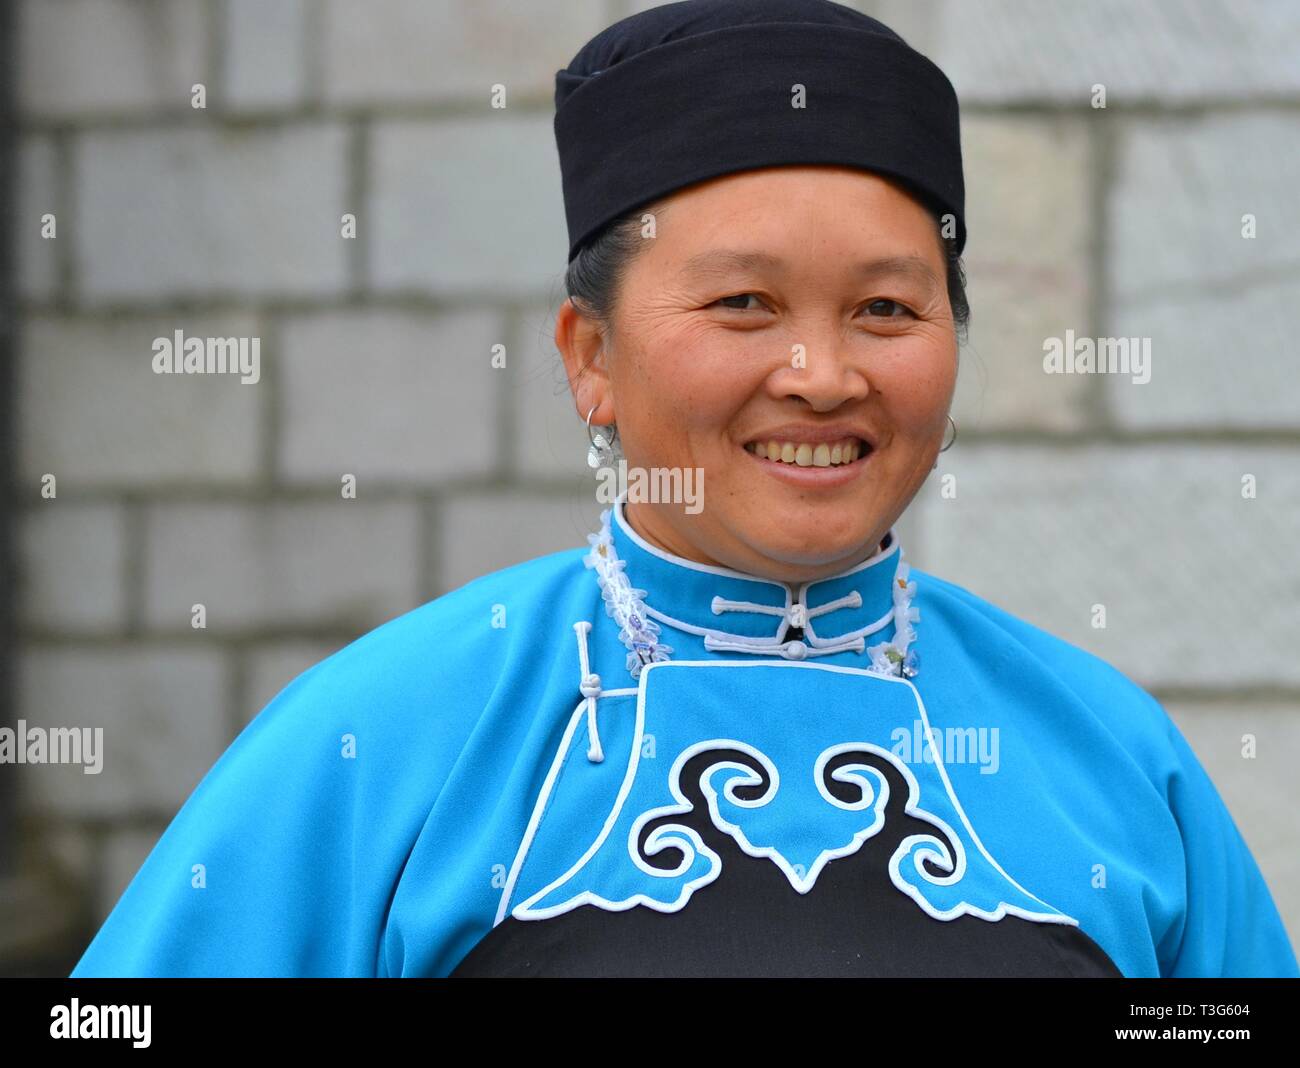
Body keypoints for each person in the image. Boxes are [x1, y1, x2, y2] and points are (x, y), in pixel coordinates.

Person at [70, 0, 1297, 978]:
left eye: (885, 309)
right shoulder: (380, 739)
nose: (821, 377)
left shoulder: (1113, 755)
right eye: (741, 305)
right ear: (590, 357)